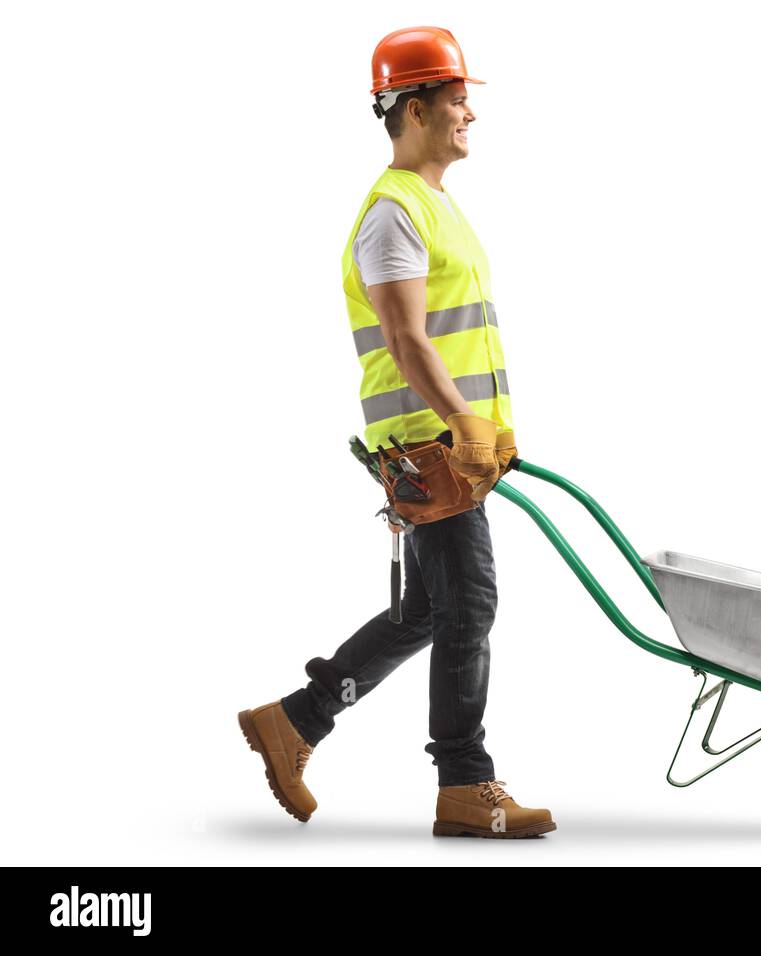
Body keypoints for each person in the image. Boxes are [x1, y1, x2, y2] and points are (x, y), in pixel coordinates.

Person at [237, 26, 556, 839]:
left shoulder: (435, 204)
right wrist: (461, 423)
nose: (469, 116)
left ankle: (295, 722)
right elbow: (407, 339)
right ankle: (464, 783)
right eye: (457, 100)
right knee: (469, 606)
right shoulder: (393, 215)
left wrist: (484, 429)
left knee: (428, 609)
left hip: (452, 446)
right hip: (428, 447)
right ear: (414, 108)